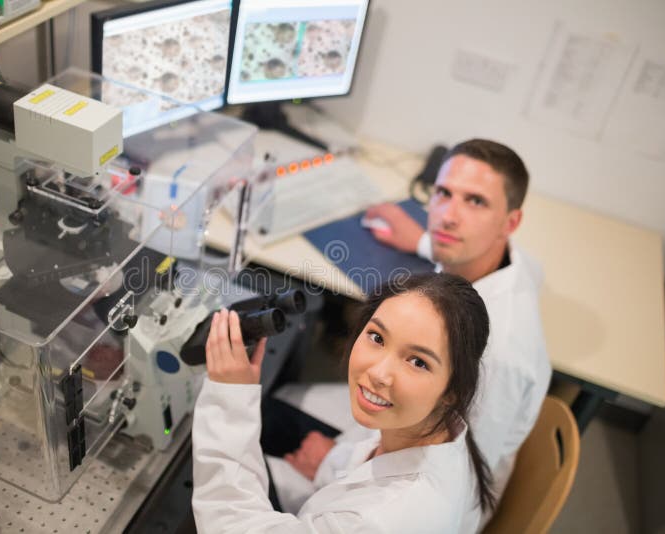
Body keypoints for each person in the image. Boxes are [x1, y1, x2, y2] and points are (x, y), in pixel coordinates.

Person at [192, 273, 494, 533]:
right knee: (266, 412)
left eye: (417, 361)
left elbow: (230, 526)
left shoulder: (376, 521)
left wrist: (227, 396)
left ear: (453, 390)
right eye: (377, 337)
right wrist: (330, 464)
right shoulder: (443, 432)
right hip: (334, 476)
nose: (378, 374)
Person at [362, 138, 552, 510]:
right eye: (443, 193)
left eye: (476, 201)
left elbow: (455, 473)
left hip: (424, 496)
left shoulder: (494, 353)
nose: (448, 216)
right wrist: (421, 241)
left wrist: (344, 468)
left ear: (510, 222)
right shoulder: (516, 264)